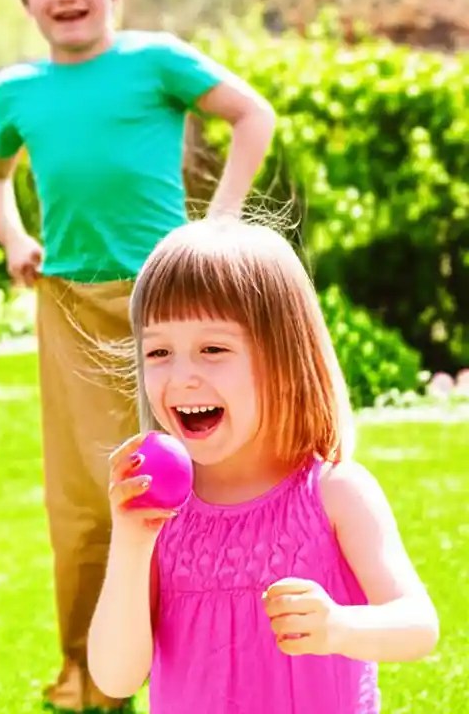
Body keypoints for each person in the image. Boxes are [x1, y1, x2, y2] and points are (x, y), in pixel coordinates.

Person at [0, 0, 277, 709]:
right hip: (71, 306)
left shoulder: (156, 61)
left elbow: (251, 114)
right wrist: (16, 239)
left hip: (167, 299)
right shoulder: (17, 88)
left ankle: (214, 652)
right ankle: (91, 673)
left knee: (199, 477)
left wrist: (222, 221)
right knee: (85, 493)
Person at [88, 218, 440, 713]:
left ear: (284, 360)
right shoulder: (160, 516)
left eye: (213, 349)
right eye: (159, 352)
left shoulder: (335, 494)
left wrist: (340, 627)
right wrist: (130, 543)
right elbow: (115, 674)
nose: (182, 376)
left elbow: (418, 625)